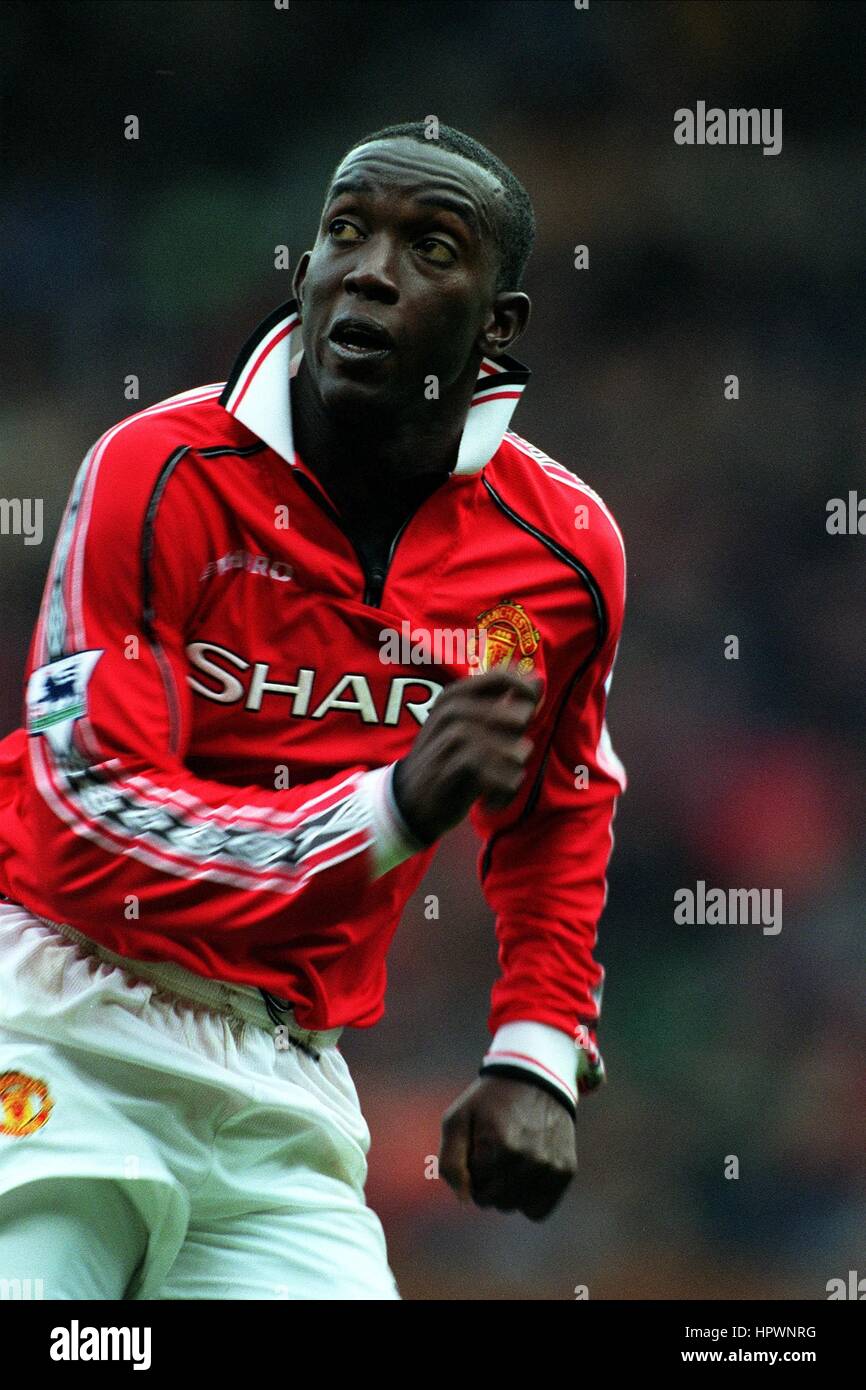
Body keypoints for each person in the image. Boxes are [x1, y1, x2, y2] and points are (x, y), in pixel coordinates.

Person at [0, 121, 626, 1300]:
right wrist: (384, 812)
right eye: (346, 231)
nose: (371, 270)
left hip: (286, 1077)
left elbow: (554, 806)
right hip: (54, 1021)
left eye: (429, 246)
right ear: (305, 267)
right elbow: (84, 818)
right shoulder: (160, 469)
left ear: (498, 324)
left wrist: (534, 1053)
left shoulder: (564, 549)